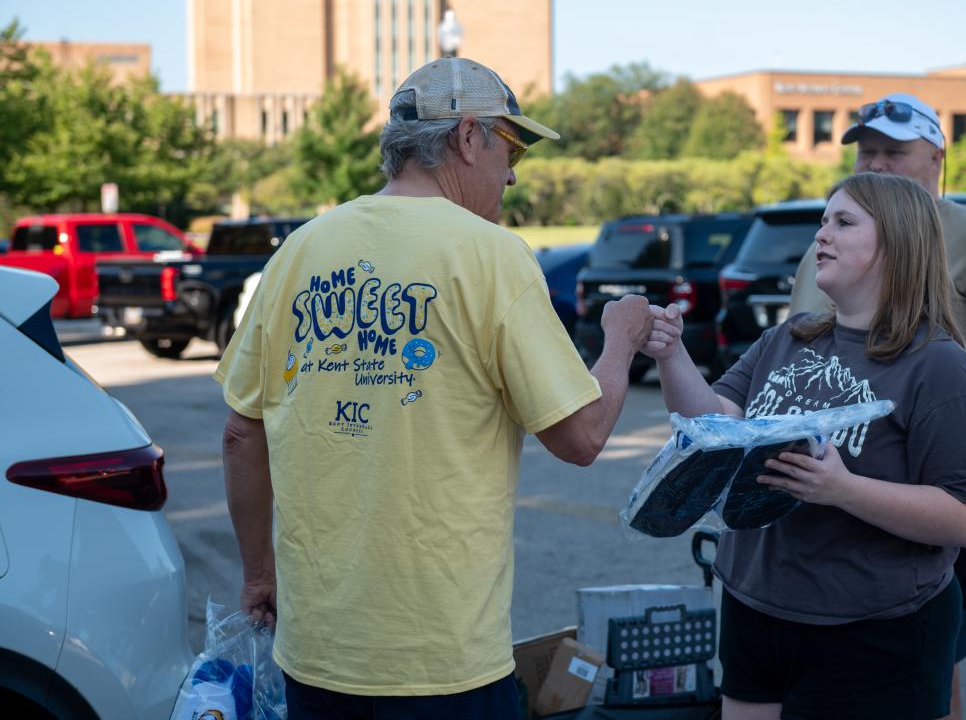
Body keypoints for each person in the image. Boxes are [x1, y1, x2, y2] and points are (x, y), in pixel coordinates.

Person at [216, 56, 654, 719]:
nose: (511, 173)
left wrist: (257, 574)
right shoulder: (492, 255)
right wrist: (621, 335)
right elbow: (583, 436)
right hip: (443, 665)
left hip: (316, 656)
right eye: (510, 149)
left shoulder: (300, 252)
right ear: (468, 136)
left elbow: (239, 431)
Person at [642, 173, 966, 720]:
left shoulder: (941, 367)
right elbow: (715, 423)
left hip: (875, 628)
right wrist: (671, 356)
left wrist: (844, 489)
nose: (820, 236)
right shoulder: (789, 337)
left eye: (843, 222)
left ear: (897, 245)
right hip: (755, 605)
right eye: (822, 222)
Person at [788, 92, 966, 719]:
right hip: (823, 504)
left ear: (936, 157)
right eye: (866, 152)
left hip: (931, 504)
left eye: (894, 152)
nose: (876, 165)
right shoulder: (831, 241)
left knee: (928, 675)